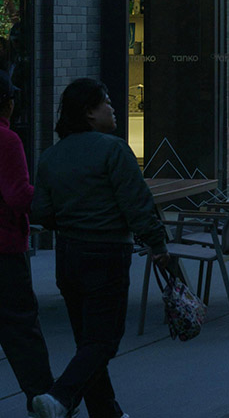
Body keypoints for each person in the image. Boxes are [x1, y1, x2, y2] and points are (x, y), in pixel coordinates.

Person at [31, 79, 169, 418]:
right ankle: (60, 397)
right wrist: (157, 242)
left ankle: (106, 411)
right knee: (103, 341)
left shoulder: (51, 157)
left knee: (88, 340)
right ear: (89, 112)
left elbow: (41, 212)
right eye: (106, 102)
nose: (113, 107)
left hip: (68, 253)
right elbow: (137, 204)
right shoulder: (114, 150)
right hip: (106, 252)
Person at [0, 69, 55, 416]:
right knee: (21, 327)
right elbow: (18, 196)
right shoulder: (8, 141)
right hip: (5, 248)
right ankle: (43, 398)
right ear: (7, 103)